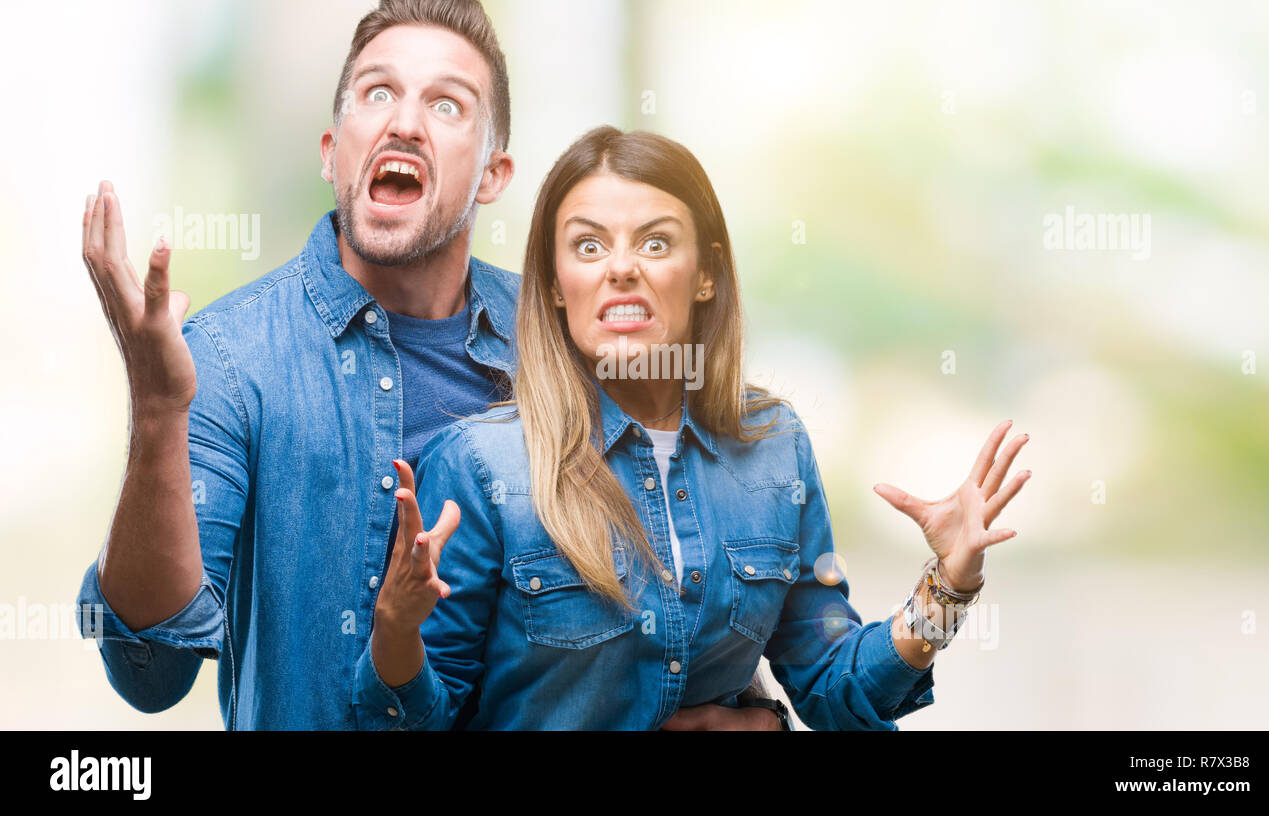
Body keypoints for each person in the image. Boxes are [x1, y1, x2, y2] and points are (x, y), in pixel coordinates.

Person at [76, 0, 780, 730]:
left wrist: (748, 707)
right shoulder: (227, 355)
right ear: (331, 150)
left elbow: (690, 582)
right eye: (378, 92)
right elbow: (149, 672)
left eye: (447, 103)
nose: (404, 122)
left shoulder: (573, 342)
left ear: (493, 173)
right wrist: (158, 410)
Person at [354, 126, 1032, 730]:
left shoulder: (773, 448)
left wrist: (948, 587)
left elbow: (832, 684)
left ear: (705, 274)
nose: (622, 267)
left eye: (655, 242)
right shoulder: (482, 465)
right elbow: (409, 721)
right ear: (557, 284)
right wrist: (393, 631)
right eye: (588, 244)